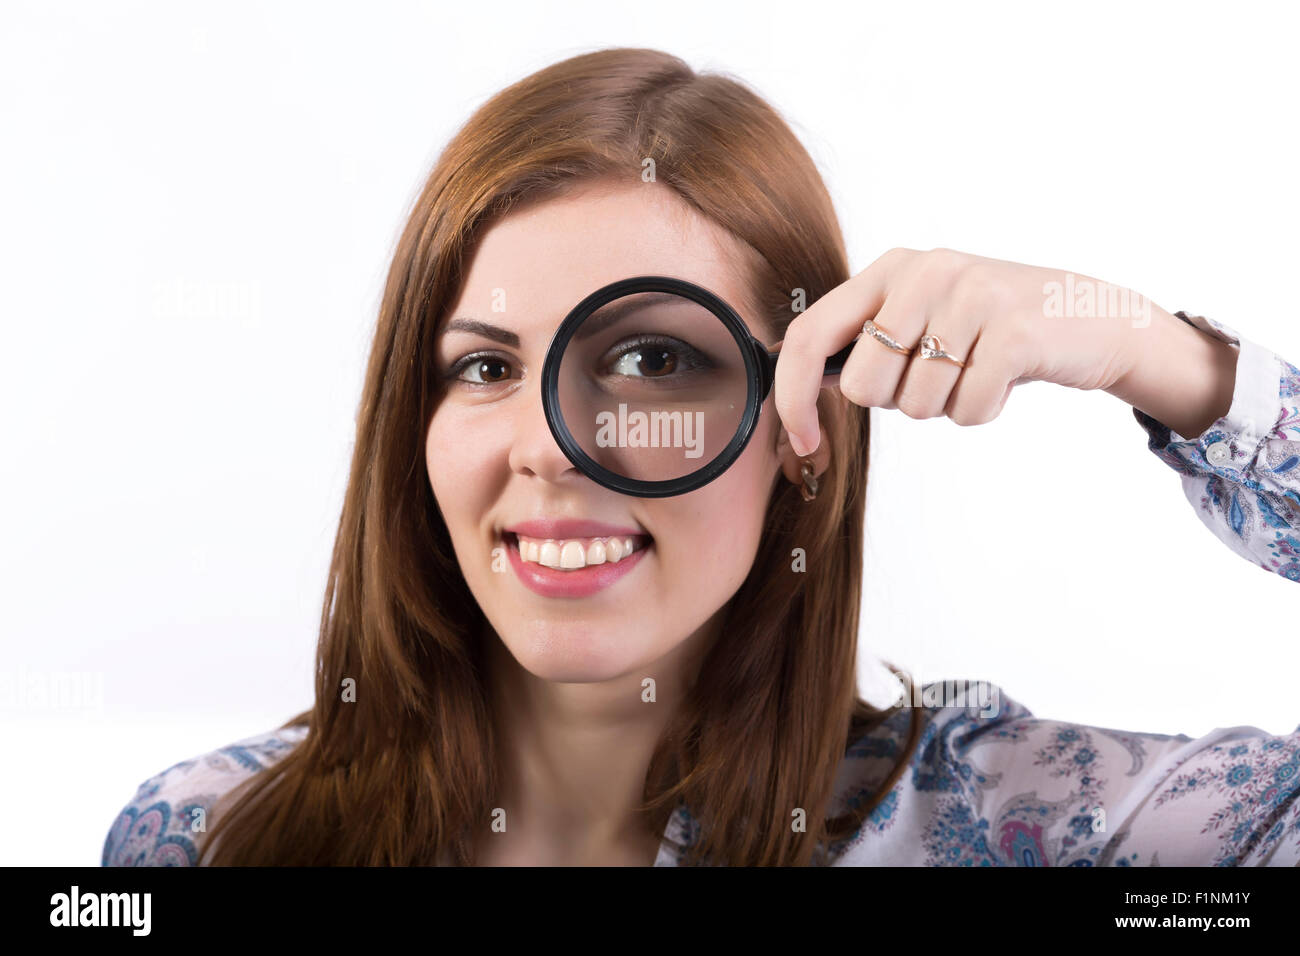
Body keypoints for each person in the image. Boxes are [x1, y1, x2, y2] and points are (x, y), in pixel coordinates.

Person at [103, 47, 1300, 867]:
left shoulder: (1026, 826)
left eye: (657, 362)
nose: (546, 448)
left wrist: (1162, 356)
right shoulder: (204, 836)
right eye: (481, 366)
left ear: (801, 427)